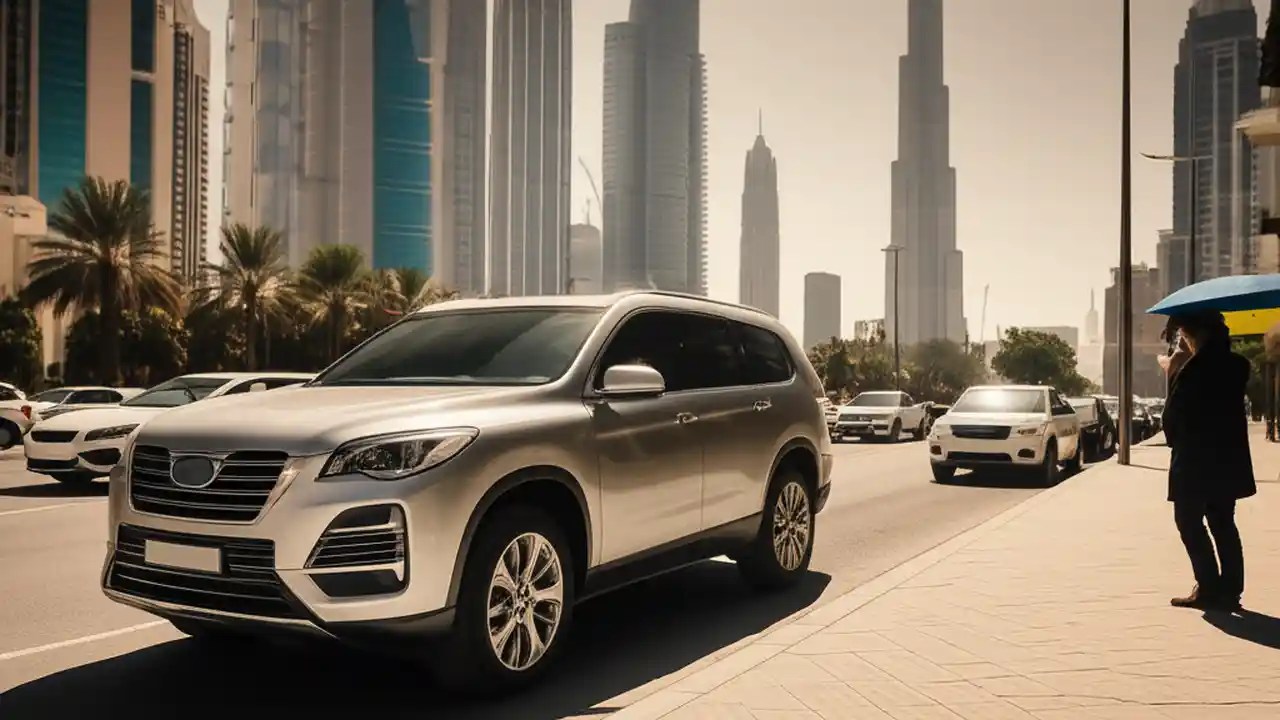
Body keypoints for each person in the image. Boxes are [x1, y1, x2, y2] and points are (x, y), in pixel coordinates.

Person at [1160, 310, 1256, 612]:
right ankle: (1230, 591)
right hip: (1228, 458)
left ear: (1193, 334)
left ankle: (1208, 586)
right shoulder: (1238, 365)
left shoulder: (1191, 369)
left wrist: (1173, 369)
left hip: (1194, 459)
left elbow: (1171, 417)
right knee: (1223, 521)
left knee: (1188, 521)